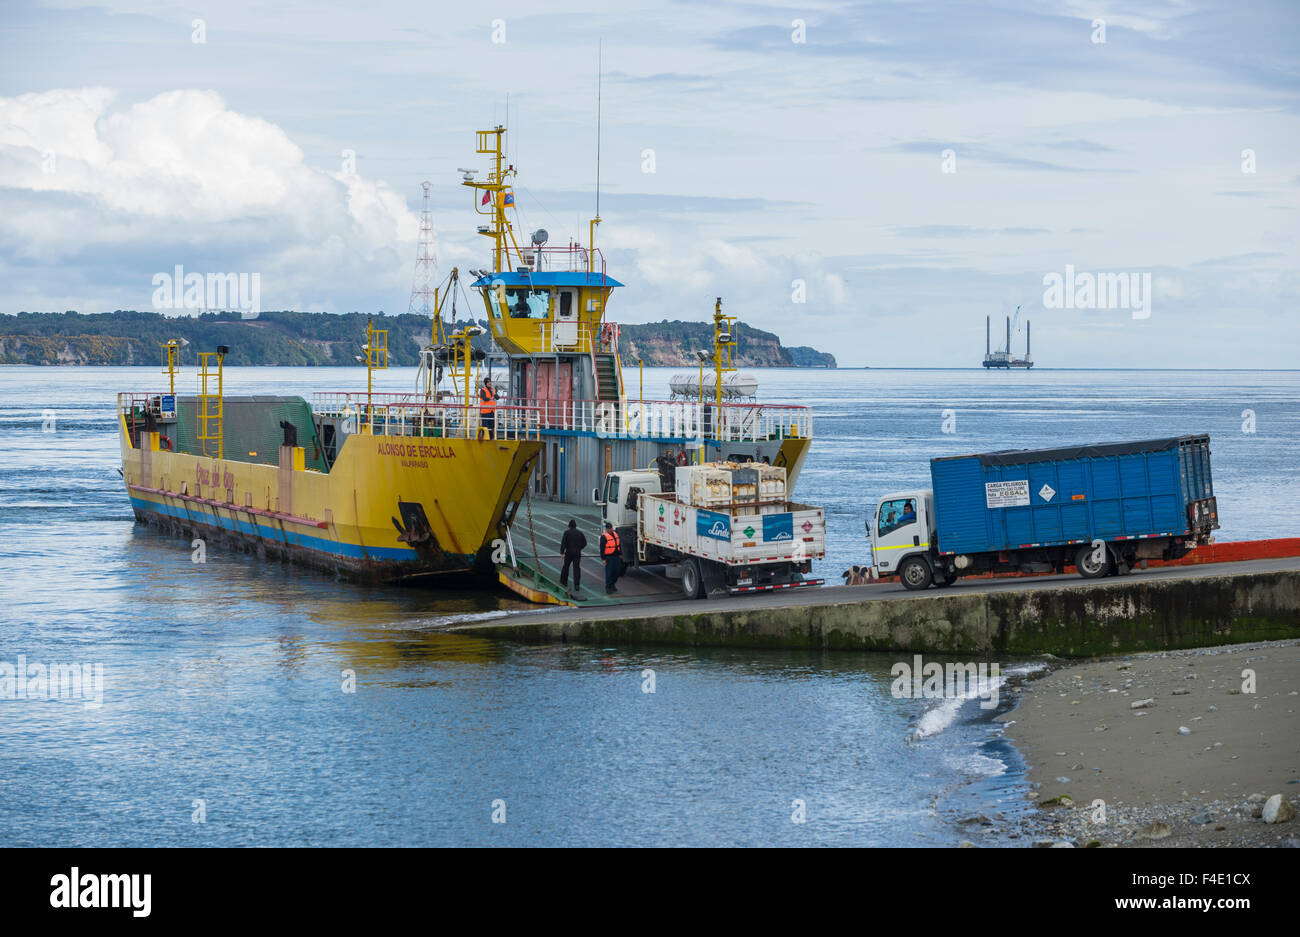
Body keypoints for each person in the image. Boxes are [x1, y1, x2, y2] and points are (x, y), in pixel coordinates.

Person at [559, 519, 587, 598]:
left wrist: (562, 552)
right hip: (577, 553)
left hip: (569, 552)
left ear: (569, 526)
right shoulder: (580, 533)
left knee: (566, 567)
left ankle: (564, 581)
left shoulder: (566, 533)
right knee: (576, 568)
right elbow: (585, 543)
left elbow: (563, 543)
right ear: (575, 526)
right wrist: (579, 548)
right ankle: (576, 585)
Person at [600, 521, 622, 594]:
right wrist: (603, 559)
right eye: (609, 529)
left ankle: (612, 584)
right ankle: (608, 587)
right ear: (606, 529)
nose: (610, 530)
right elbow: (602, 549)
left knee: (617, 571)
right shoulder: (604, 537)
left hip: (616, 556)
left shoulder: (615, 534)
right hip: (609, 557)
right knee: (609, 573)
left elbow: (619, 545)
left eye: (611, 528)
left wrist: (620, 553)